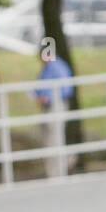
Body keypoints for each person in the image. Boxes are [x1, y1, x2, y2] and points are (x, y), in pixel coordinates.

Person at [31, 46, 75, 176]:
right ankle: (63, 164)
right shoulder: (47, 68)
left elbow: (66, 89)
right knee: (51, 139)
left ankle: (58, 169)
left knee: (54, 139)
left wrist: (48, 98)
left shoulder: (57, 67)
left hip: (56, 106)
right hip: (49, 107)